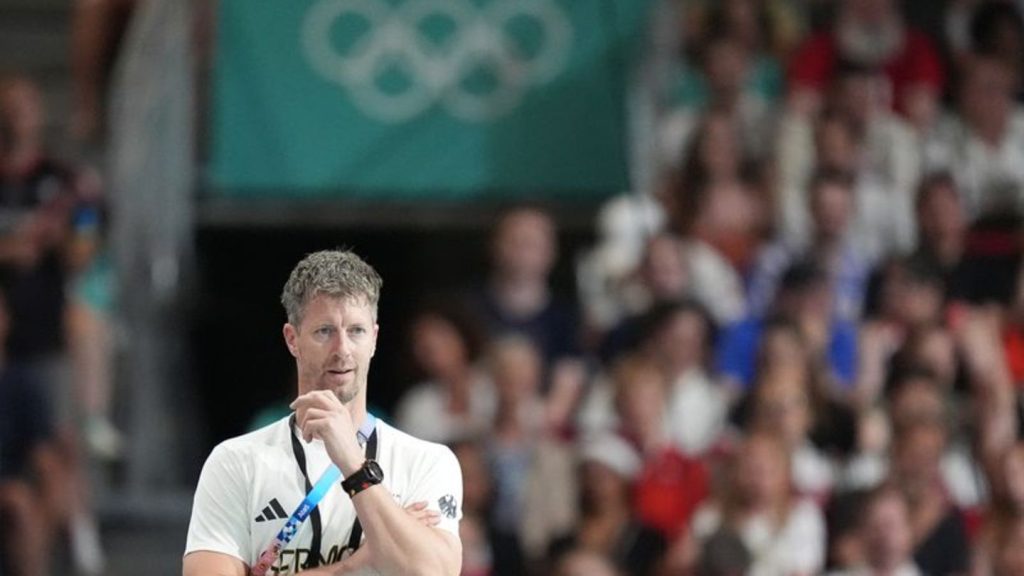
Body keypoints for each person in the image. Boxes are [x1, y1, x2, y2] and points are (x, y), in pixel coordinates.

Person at [184, 250, 463, 575]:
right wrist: (355, 565)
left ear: (374, 339)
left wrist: (353, 463)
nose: (342, 349)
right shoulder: (236, 461)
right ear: (292, 339)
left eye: (356, 331)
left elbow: (433, 572)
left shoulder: (426, 461)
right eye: (325, 331)